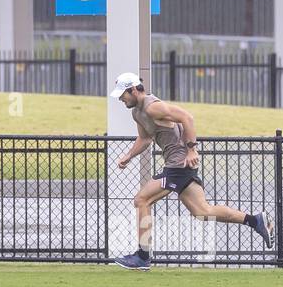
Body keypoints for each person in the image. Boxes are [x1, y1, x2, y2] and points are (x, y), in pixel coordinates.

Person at [109, 72, 272, 270]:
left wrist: (191, 149)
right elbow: (145, 139)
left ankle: (142, 256)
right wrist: (129, 156)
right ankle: (256, 221)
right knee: (202, 211)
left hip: (178, 165)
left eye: (122, 94)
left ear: (133, 90)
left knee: (141, 200)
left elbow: (187, 117)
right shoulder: (137, 112)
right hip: (178, 166)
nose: (120, 98)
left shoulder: (154, 107)